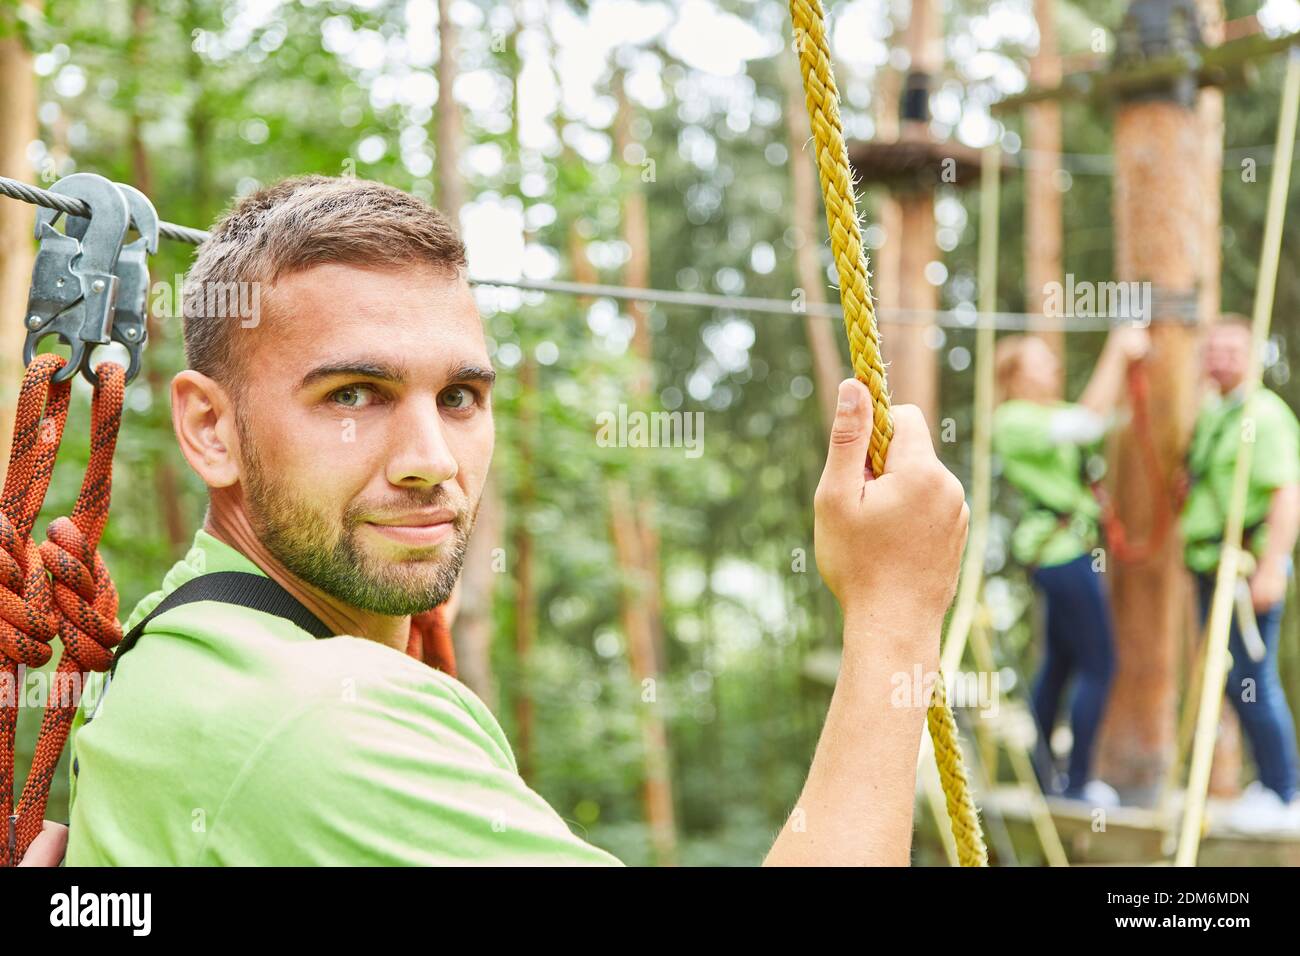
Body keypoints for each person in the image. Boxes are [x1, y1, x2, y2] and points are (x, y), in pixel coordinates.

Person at [22, 176, 968, 866]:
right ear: (209, 428)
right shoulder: (321, 722)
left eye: (462, 396)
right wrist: (894, 612)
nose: (431, 459)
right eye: (354, 394)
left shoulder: (174, 642)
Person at [992, 327, 1149, 806]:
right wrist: (1118, 351)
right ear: (1014, 377)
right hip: (1059, 553)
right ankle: (1077, 784)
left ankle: (1045, 782)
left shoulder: (1047, 414)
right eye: (1041, 362)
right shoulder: (1012, 418)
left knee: (1059, 666)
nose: (1053, 368)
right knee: (1100, 664)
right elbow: (1086, 423)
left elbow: (1100, 421)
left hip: (1063, 552)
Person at [1180, 315, 1300, 832]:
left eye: (1233, 350)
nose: (1221, 359)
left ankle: (1286, 791)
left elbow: (1286, 493)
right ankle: (1272, 785)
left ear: (1251, 356)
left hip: (1248, 566)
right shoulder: (1214, 415)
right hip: (1212, 566)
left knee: (1254, 676)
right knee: (1229, 679)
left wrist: (1272, 565)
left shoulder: (1265, 416)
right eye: (1214, 350)